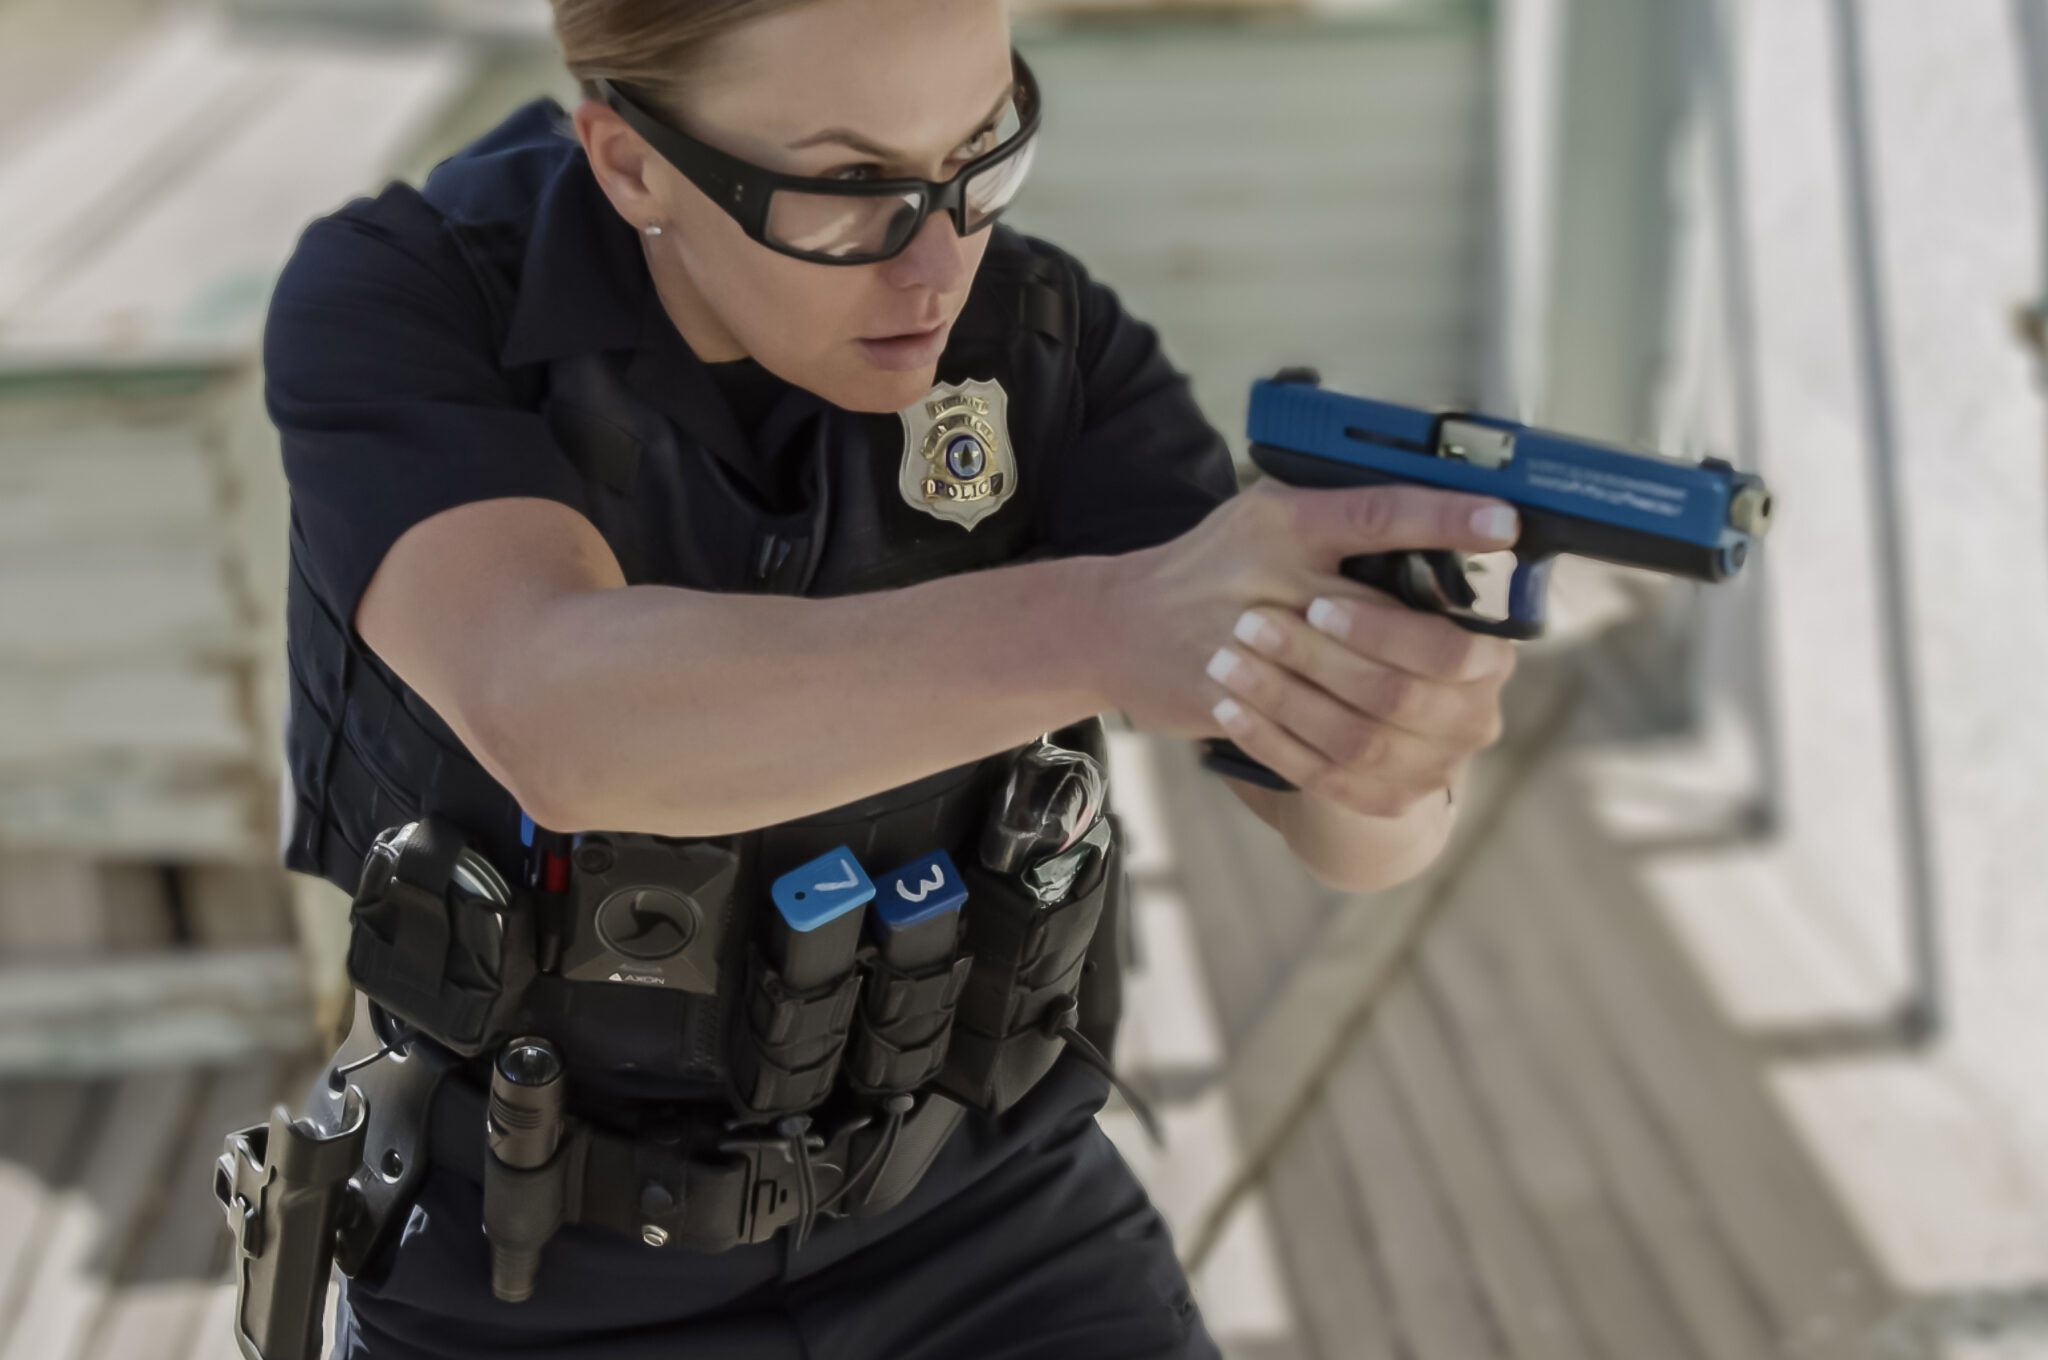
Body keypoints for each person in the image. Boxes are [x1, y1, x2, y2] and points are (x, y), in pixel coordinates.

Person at [260, 0, 1522, 1355]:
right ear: (631, 165)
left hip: (988, 1217)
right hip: (524, 1273)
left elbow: (1352, 836)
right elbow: (561, 717)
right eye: (851, 185)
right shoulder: (405, 302)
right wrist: (1104, 625)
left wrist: (1386, 733)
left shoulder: (1047, 343)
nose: (940, 265)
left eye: (978, 153)